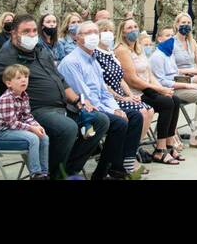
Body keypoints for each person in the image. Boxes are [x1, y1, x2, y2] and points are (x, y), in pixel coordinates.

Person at [0, 14, 110, 179]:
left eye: (34, 30)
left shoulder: (41, 51)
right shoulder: (7, 57)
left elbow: (61, 81)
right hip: (35, 112)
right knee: (68, 128)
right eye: (26, 31)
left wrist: (78, 101)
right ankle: (53, 174)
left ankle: (68, 169)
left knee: (99, 120)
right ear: (14, 34)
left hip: (63, 107)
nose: (32, 34)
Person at [57, 21, 138, 180]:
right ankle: (100, 173)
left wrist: (116, 108)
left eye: (95, 32)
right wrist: (111, 112)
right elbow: (84, 95)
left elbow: (103, 90)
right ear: (78, 38)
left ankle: (117, 167)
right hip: (80, 110)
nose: (93, 36)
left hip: (99, 106)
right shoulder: (71, 61)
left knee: (135, 116)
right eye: (88, 33)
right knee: (119, 123)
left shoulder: (93, 58)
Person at [115, 17, 184, 164]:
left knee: (175, 100)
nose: (133, 30)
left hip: (148, 89)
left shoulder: (138, 48)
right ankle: (160, 150)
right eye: (129, 28)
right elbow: (132, 79)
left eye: (135, 26)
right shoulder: (122, 50)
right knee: (166, 103)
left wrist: (162, 88)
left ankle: (169, 145)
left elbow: (149, 74)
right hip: (135, 93)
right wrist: (159, 89)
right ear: (122, 33)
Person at [93, 19, 150, 175]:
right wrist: (121, 97)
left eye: (110, 30)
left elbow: (120, 78)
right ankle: (126, 157)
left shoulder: (110, 52)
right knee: (140, 113)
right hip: (109, 97)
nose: (108, 34)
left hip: (119, 95)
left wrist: (130, 95)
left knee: (146, 109)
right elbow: (103, 84)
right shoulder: (95, 54)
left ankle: (130, 154)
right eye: (104, 30)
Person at [148, 27, 197, 150]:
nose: (171, 38)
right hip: (169, 90)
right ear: (159, 38)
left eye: (172, 36)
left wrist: (189, 80)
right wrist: (185, 85)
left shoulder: (169, 54)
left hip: (177, 83)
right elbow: (161, 81)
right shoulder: (157, 56)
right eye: (167, 35)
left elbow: (175, 74)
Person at [0, 64, 50, 179]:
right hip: (2, 131)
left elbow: (27, 116)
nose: (24, 80)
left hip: (15, 129)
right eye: (19, 78)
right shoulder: (6, 98)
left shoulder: (24, 95)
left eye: (25, 77)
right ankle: (36, 174)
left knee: (44, 136)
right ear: (9, 83)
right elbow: (11, 123)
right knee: (33, 138)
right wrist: (31, 128)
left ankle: (44, 172)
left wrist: (37, 126)